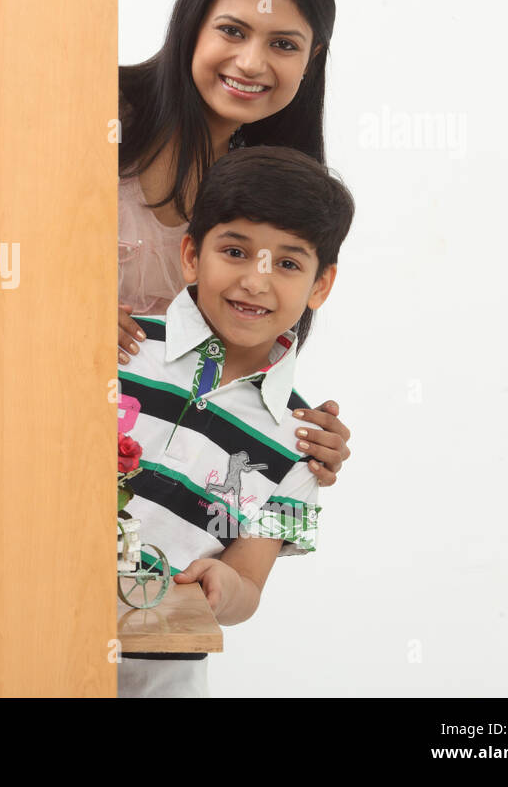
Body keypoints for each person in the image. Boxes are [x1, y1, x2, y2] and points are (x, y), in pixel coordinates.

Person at [117, 0, 353, 487]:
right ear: (192, 24)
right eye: (232, 30)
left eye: (283, 44)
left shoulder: (274, 194)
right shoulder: (100, 110)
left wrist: (294, 432)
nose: (250, 63)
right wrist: (55, 319)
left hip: (125, 470)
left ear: (312, 57)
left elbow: (240, 356)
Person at [116, 145, 355, 697]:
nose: (256, 281)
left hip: (160, 677)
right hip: (35, 644)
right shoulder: (120, 347)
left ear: (321, 285)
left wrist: (228, 585)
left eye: (289, 263)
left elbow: (249, 583)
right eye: (235, 251)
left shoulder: (302, 446)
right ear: (192, 256)